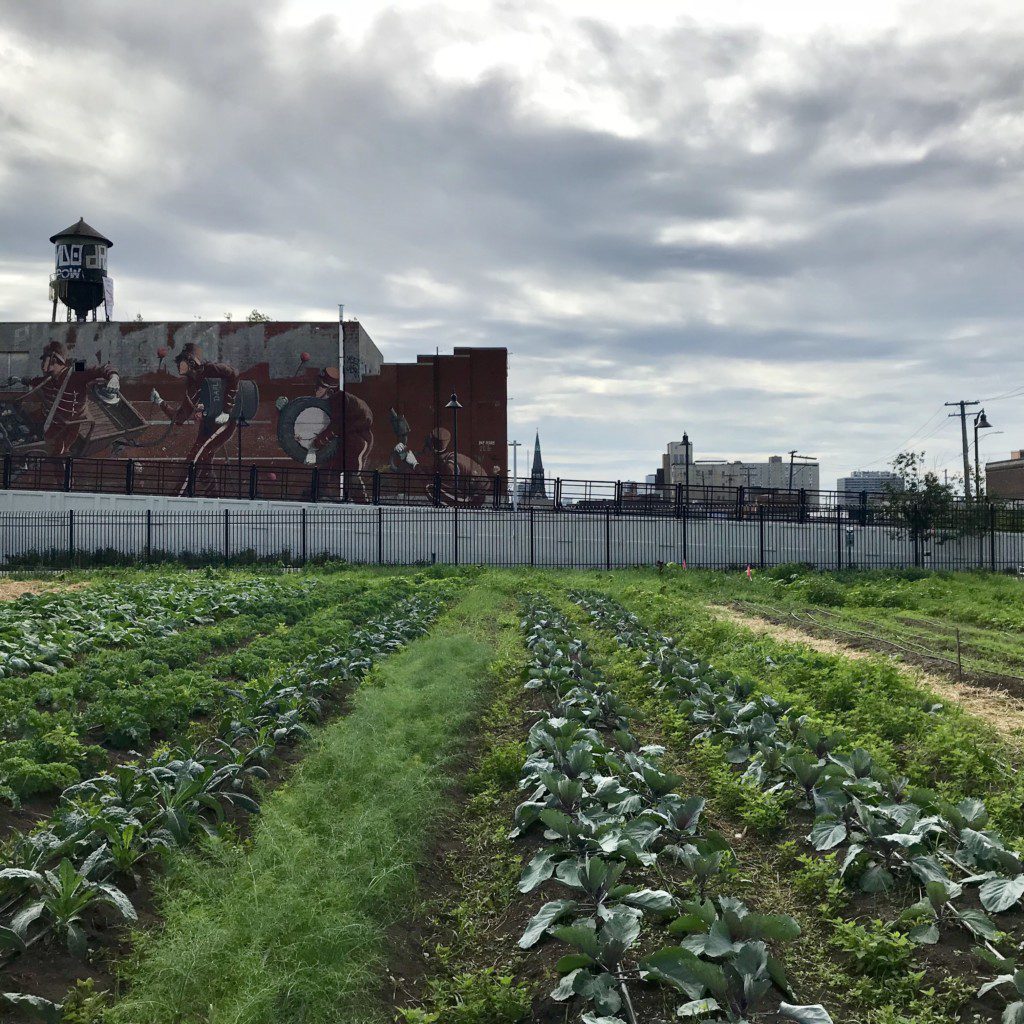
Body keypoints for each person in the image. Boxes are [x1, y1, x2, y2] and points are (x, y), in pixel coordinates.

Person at [149, 342, 238, 496]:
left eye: (182, 362)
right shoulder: (191, 388)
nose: (179, 366)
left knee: (193, 459)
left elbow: (233, 374)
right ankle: (214, 498)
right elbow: (179, 418)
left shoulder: (210, 369)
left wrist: (227, 410)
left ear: (190, 362)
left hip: (223, 423)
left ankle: (177, 498)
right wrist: (160, 402)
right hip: (207, 426)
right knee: (204, 466)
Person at [22, 341, 120, 457]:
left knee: (52, 452)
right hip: (47, 417)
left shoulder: (75, 369)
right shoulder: (49, 377)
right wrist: (26, 381)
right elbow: (38, 382)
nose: (43, 365)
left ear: (53, 360)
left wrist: (114, 377)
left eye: (45, 360)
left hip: (66, 426)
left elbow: (102, 367)